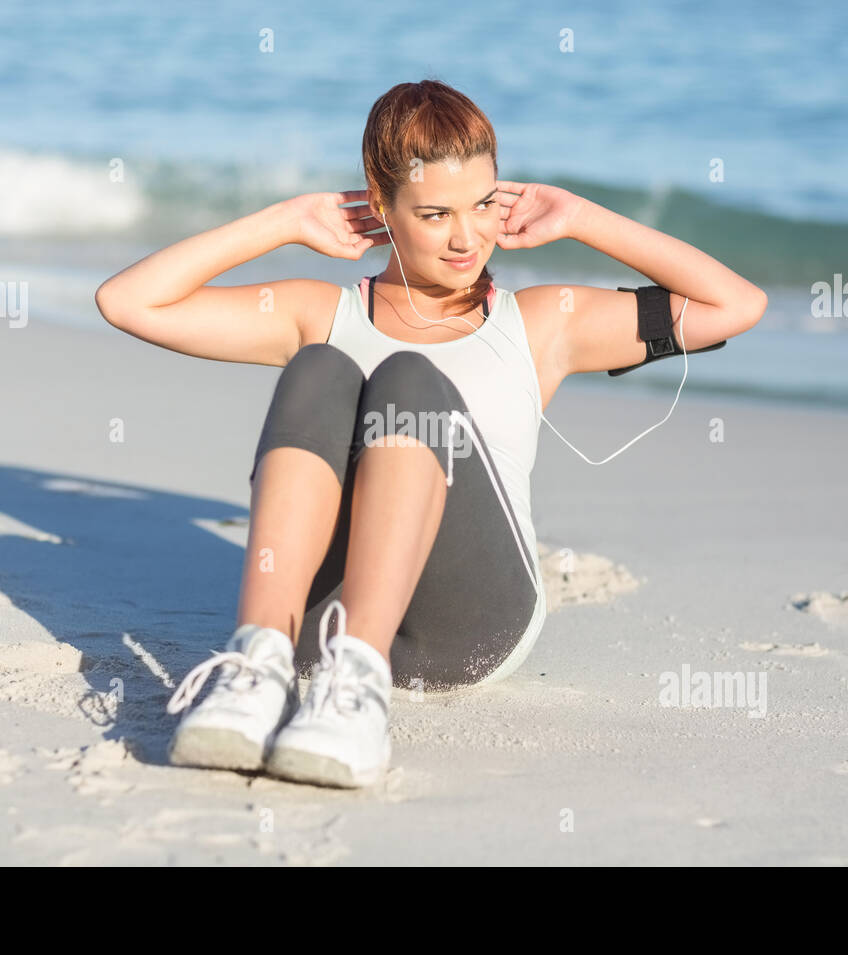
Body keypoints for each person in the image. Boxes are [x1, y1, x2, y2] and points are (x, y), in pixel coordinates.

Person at [94, 79, 768, 789]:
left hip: (473, 622)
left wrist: (581, 217)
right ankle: (255, 667)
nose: (466, 236)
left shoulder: (540, 325)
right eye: (436, 212)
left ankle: (360, 691)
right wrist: (286, 221)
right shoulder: (319, 312)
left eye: (482, 205)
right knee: (321, 367)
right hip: (315, 630)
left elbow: (736, 304)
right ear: (380, 208)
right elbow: (127, 301)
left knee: (410, 381)